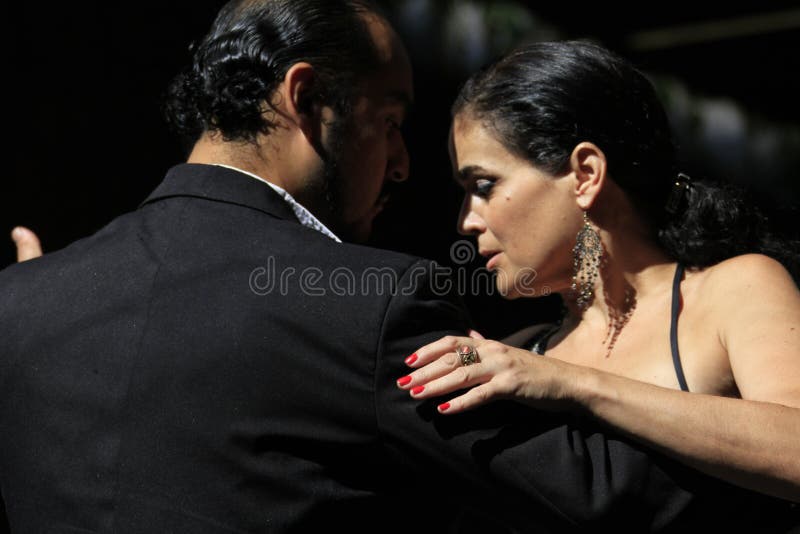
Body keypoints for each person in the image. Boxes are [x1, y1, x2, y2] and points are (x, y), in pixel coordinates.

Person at [0, 4, 714, 533]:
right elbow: (603, 497)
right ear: (307, 100)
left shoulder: (22, 302)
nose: (401, 165)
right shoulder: (370, 306)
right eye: (391, 121)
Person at [397, 41, 800, 527]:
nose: (466, 220)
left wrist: (573, 384)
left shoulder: (733, 289)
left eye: (483, 187)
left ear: (585, 174)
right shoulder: (521, 356)